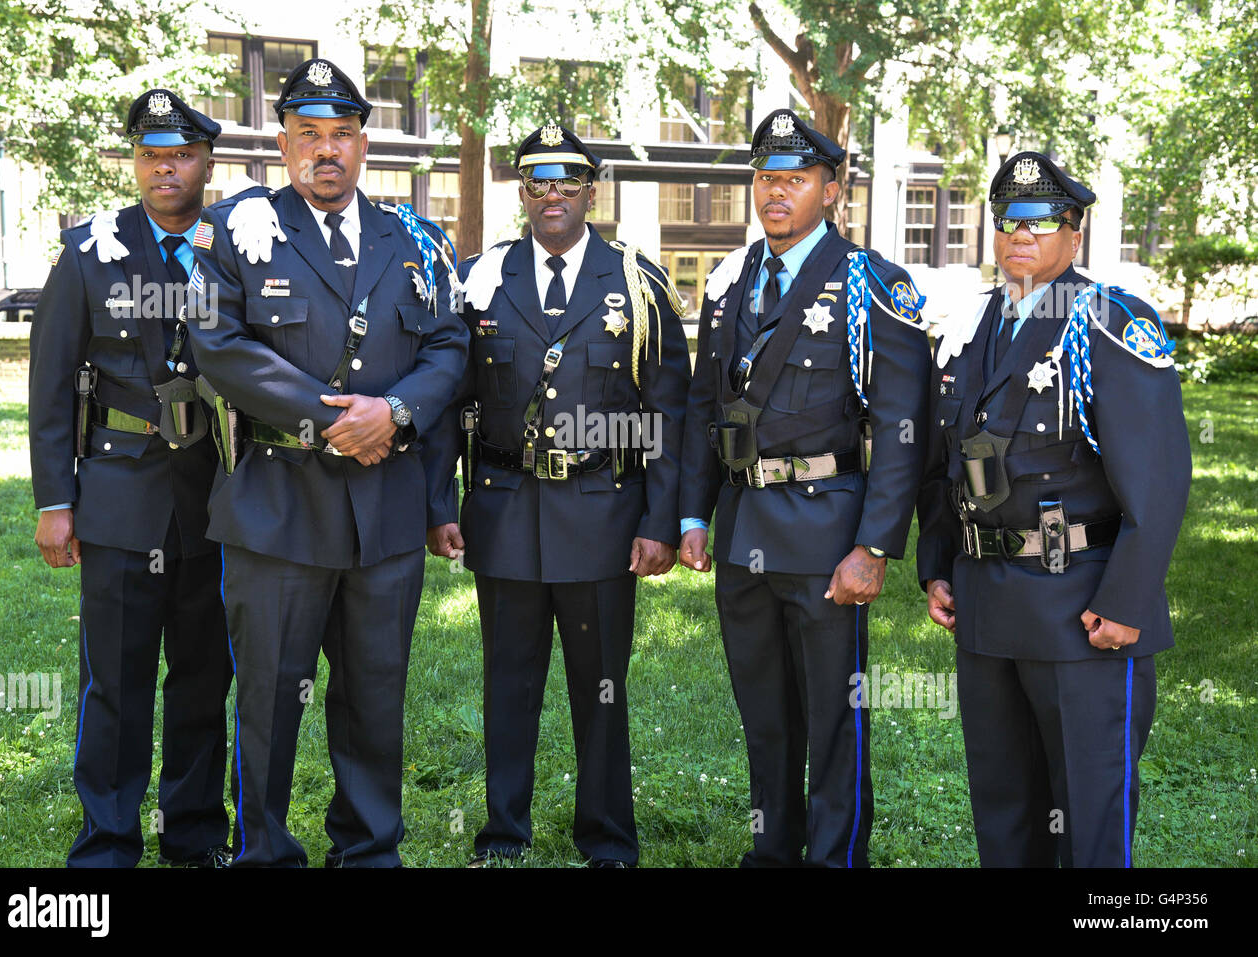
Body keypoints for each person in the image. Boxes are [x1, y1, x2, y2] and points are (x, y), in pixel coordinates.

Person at [186, 58, 468, 867]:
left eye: (341, 134)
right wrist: (336, 421)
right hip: (276, 504)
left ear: (363, 144)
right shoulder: (233, 230)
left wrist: (398, 412)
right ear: (283, 145)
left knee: (375, 693)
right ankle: (265, 849)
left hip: (383, 509)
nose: (326, 150)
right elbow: (218, 346)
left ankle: (370, 848)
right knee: (271, 697)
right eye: (308, 134)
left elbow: (449, 344)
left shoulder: (414, 238)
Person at [422, 123, 690, 867]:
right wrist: (439, 503)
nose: (553, 196)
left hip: (604, 509)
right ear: (522, 191)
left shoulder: (637, 281)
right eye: (538, 182)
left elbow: (668, 411)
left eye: (567, 182)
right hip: (504, 509)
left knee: (600, 689)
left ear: (591, 191)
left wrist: (661, 521)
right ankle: (503, 833)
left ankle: (606, 837)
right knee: (507, 684)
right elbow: (448, 398)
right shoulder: (481, 278)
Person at [916, 151, 1191, 867]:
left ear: (1076, 232)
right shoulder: (975, 327)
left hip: (1083, 609)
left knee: (1089, 817)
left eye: (1042, 220)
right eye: (1008, 219)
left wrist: (1126, 601)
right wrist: (937, 563)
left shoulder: (1109, 322)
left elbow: (1157, 480)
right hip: (986, 606)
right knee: (1004, 814)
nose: (1020, 235)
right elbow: (951, 459)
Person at [677, 109, 932, 867]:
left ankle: (834, 856)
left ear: (832, 188)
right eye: (765, 178)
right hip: (745, 530)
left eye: (794, 179)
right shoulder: (732, 282)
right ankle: (771, 850)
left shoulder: (871, 286)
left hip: (829, 539)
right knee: (765, 716)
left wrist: (875, 545)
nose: (775, 194)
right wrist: (694, 512)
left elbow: (901, 428)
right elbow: (703, 408)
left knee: (831, 719)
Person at [29, 89, 234, 867]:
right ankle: (109, 840)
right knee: (114, 680)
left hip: (214, 498)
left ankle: (193, 833)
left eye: (181, 154)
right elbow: (49, 385)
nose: (165, 168)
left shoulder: (233, 250)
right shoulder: (90, 252)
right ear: (135, 162)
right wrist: (56, 501)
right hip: (117, 496)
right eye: (151, 155)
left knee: (201, 677)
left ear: (206, 160)